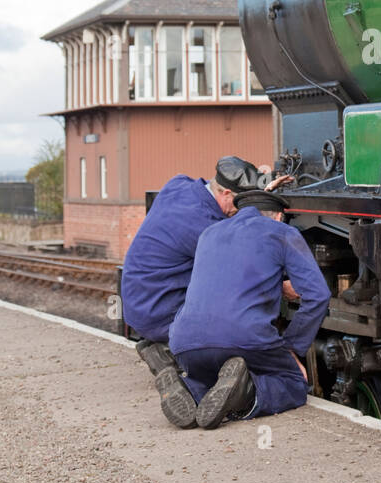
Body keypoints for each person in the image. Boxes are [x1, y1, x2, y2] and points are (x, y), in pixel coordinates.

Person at [156, 189, 331, 430]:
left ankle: (190, 389)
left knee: (211, 375)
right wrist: (292, 346)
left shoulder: (209, 234)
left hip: (184, 342)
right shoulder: (282, 232)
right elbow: (318, 294)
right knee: (293, 383)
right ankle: (247, 396)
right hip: (243, 337)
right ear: (279, 216)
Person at [123, 157, 291, 378]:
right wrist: (281, 285)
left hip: (140, 299)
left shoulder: (179, 185)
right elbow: (245, 270)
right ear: (226, 194)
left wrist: (263, 183)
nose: (243, 211)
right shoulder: (204, 227)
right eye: (242, 205)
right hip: (157, 311)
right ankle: (178, 353)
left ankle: (162, 345)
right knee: (236, 298)